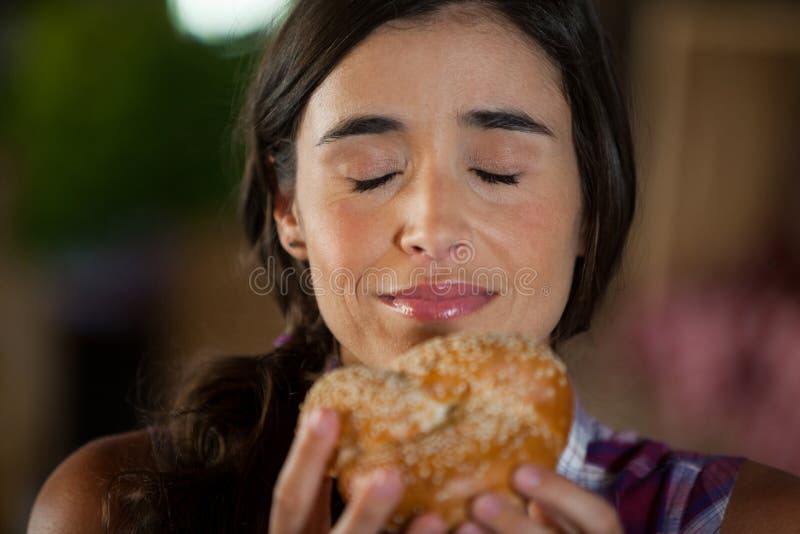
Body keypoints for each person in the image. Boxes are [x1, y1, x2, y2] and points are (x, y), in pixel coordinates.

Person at [27, 1, 800, 533]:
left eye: (498, 170)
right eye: (369, 172)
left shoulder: (750, 520)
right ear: (287, 209)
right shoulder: (119, 508)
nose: (430, 226)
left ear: (591, 208)